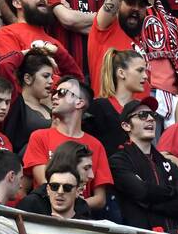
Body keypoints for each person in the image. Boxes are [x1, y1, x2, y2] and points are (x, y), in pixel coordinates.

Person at [23, 76, 115, 214]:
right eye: (54, 93)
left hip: (80, 220)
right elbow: (45, 183)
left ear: (79, 102)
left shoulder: (96, 145)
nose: (54, 97)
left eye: (61, 93)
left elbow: (100, 199)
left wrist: (75, 208)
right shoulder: (40, 137)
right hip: (46, 215)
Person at [107, 99, 178, 232]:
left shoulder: (167, 164)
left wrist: (149, 202)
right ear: (126, 126)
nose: (150, 119)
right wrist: (174, 193)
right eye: (142, 115)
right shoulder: (118, 160)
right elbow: (142, 191)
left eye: (152, 115)